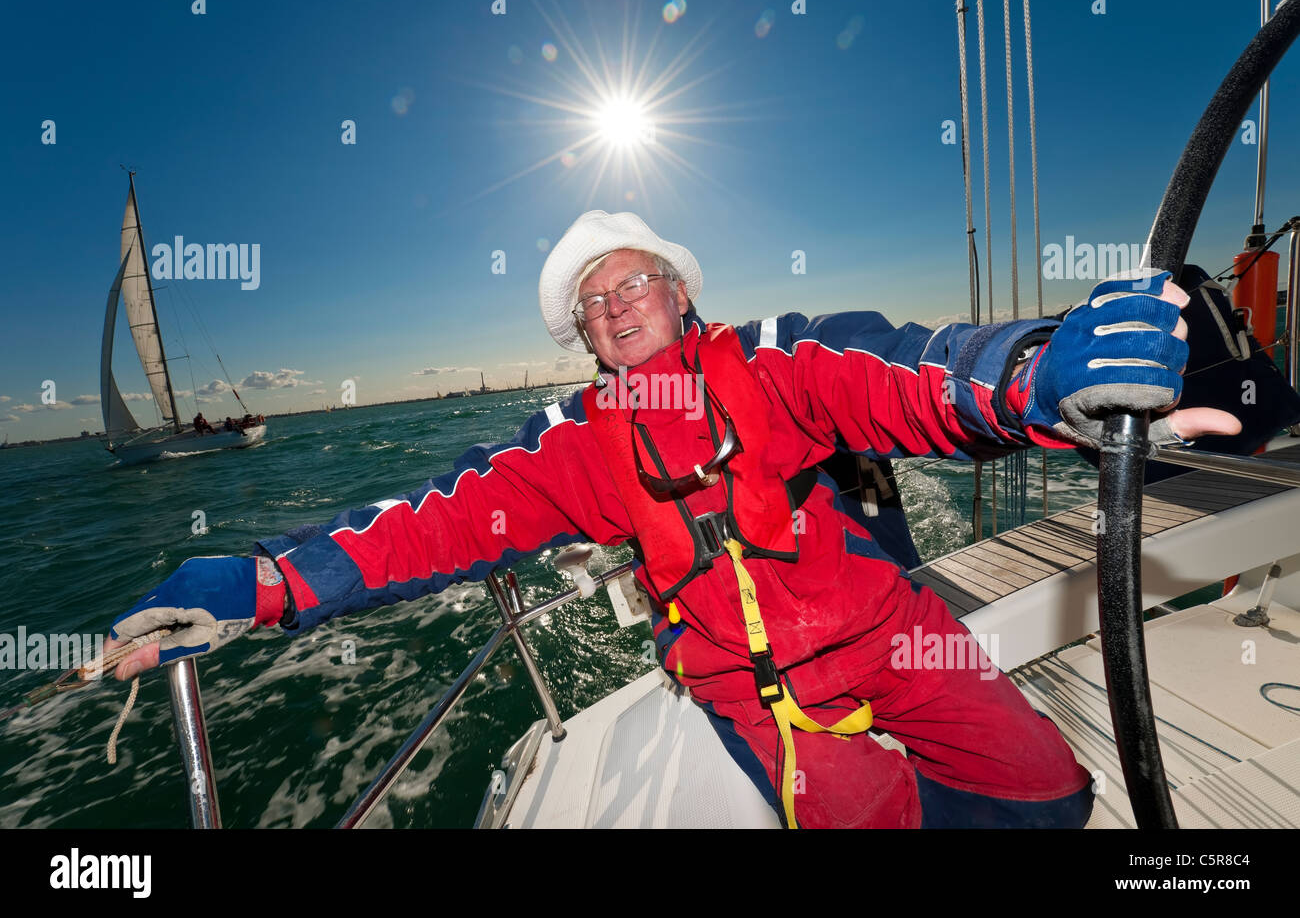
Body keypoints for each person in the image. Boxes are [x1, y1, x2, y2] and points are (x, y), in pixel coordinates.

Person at [107, 211, 1241, 828]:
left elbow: (914, 372)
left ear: (680, 292)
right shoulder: (570, 445)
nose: (614, 307)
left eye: (631, 283)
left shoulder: (779, 357)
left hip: (890, 628)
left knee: (1051, 796)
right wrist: (265, 583)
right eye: (593, 305)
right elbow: (430, 523)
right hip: (754, 693)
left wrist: (1035, 374)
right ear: (587, 341)